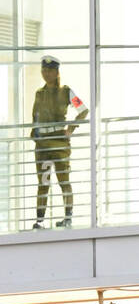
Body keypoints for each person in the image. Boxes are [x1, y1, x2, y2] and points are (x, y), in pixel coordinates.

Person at [30, 54, 88, 229]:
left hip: (60, 144)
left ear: (56, 72)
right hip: (43, 144)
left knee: (63, 180)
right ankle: (40, 221)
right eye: (44, 70)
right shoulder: (39, 93)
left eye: (50, 70)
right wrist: (35, 135)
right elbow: (35, 117)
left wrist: (71, 127)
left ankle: (68, 217)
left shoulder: (66, 91)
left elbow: (83, 110)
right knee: (44, 182)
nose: (46, 73)